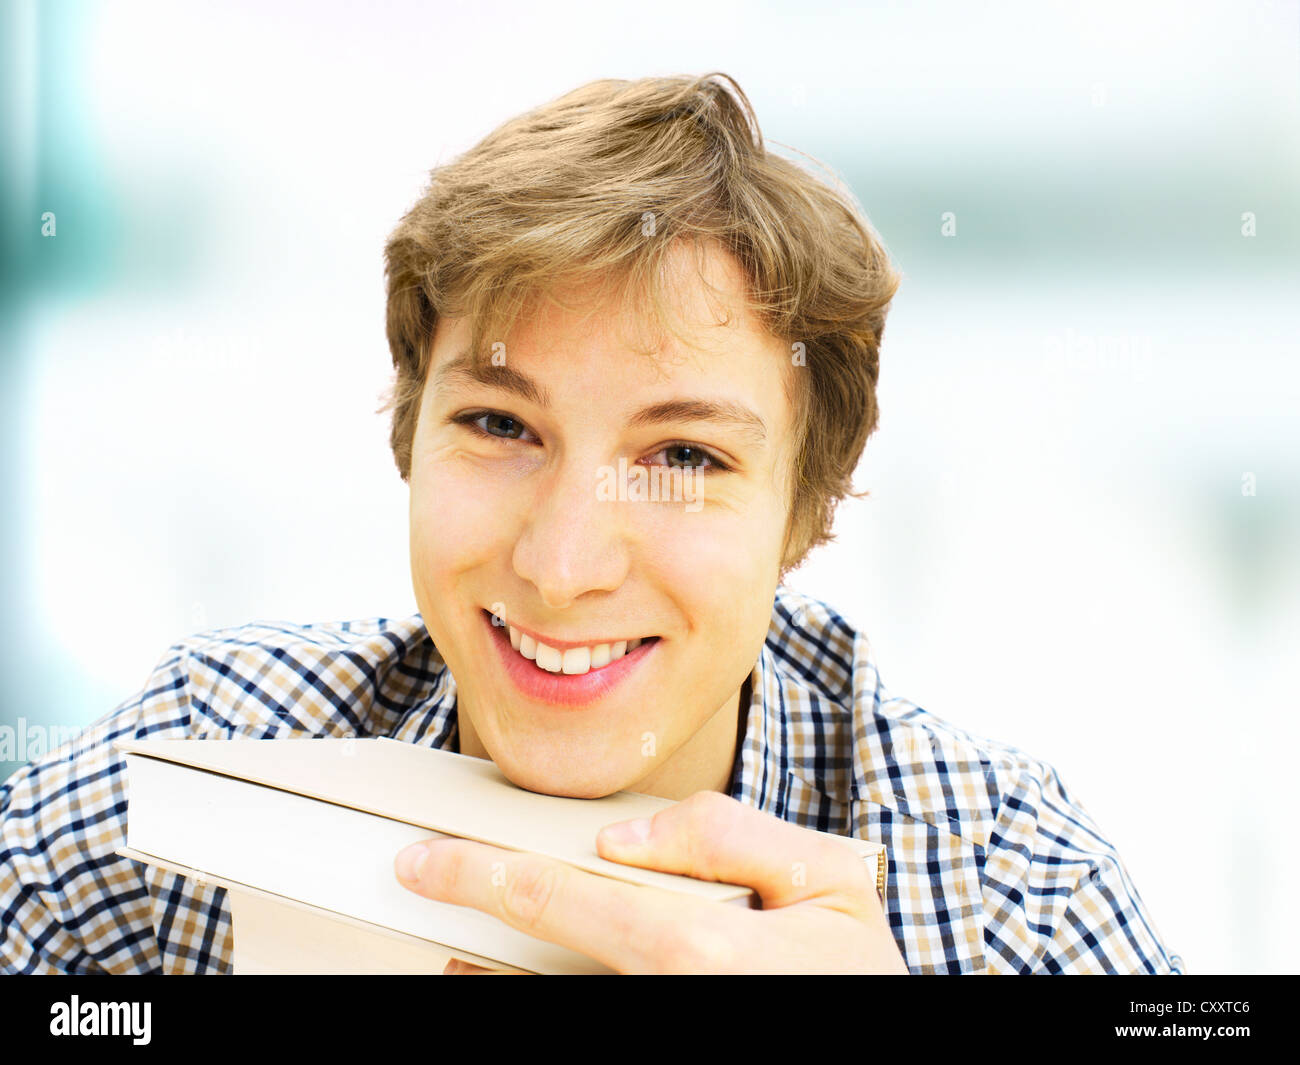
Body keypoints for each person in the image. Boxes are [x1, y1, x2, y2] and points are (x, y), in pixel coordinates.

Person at [0, 72, 1181, 974]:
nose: (560, 567)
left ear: (803, 506)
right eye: (502, 428)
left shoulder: (1003, 881)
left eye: (682, 455)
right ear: (411, 434)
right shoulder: (212, 759)